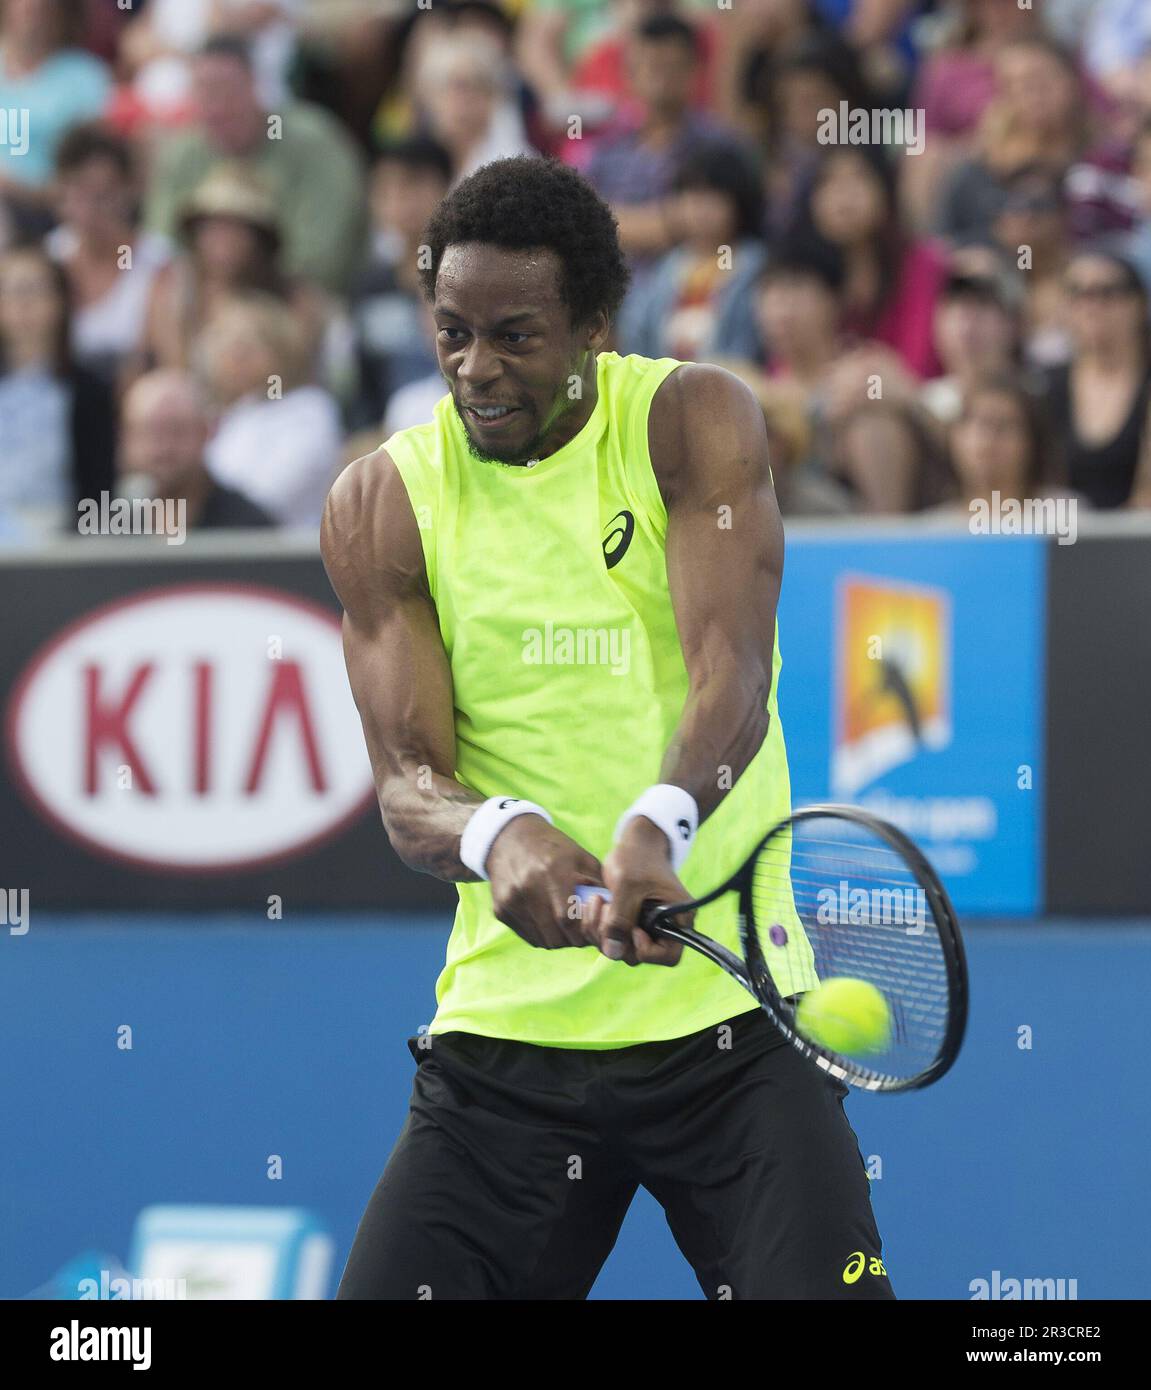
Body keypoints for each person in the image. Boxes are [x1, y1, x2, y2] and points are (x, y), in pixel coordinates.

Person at [322, 155, 892, 1301]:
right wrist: (496, 835)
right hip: (504, 1048)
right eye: (451, 333)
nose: (476, 370)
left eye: (515, 336)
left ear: (592, 323)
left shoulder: (691, 422)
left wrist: (657, 821)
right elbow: (407, 785)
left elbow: (730, 670)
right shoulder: (383, 500)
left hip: (732, 1028)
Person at [144, 35, 366, 294]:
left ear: (254, 85)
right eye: (204, 92)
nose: (216, 107)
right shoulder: (183, 154)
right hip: (207, 301)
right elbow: (161, 246)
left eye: (225, 90)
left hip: (302, 299)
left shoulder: (313, 143)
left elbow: (323, 258)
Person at [197, 291, 342, 528]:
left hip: (282, 553)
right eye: (227, 343)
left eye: (249, 345)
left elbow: (275, 494)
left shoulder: (309, 409)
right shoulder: (219, 415)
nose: (236, 356)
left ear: (282, 349)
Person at [615, 141, 767, 362]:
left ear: (738, 202)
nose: (700, 209)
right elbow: (637, 336)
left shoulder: (755, 264)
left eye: (712, 197)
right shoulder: (667, 266)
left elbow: (749, 343)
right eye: (692, 196)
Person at [0, 242, 115, 533]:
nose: (22, 303)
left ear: (61, 300)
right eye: (11, 291)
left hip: (59, 550)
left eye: (34, 290)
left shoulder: (89, 392)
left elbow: (98, 490)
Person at [46, 122, 171, 388]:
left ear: (128, 192)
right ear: (62, 194)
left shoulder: (159, 264)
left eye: (103, 194)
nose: (90, 208)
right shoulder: (47, 257)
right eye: (79, 192)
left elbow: (166, 364)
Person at [1041, 250, 1151, 509]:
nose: (1092, 306)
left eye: (1107, 292)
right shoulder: (1046, 386)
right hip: (1062, 540)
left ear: (1140, 304)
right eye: (1077, 293)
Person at [0, 0, 111, 237]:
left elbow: (93, 167)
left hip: (50, 212)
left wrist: (19, 187)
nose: (34, 8)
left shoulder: (86, 77)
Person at [119, 369, 274, 530]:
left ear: (206, 431)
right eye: (149, 432)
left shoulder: (250, 529)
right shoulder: (115, 529)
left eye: (177, 431)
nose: (163, 448)